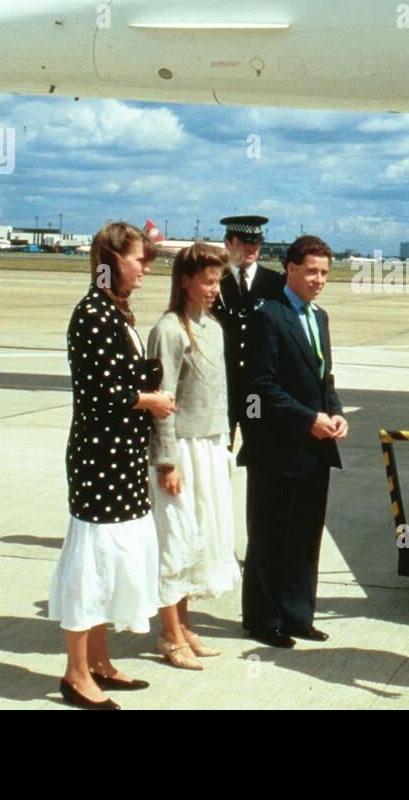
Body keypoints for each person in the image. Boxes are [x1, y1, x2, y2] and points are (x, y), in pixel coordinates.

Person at [48, 221, 176, 710]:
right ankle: (76, 673)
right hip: (100, 459)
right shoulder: (93, 314)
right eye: (139, 260)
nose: (146, 268)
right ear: (111, 261)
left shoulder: (115, 311)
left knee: (114, 561)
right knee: (92, 565)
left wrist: (149, 389)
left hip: (120, 458)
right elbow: (103, 394)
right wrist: (150, 399)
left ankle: (99, 662)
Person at [241, 235, 348, 648]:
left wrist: (335, 412)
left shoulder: (319, 317)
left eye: (324, 272)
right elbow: (261, 386)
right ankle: (264, 619)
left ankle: (298, 614)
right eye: (311, 271)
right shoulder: (269, 316)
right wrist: (308, 420)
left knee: (305, 536)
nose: (318, 279)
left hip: (315, 446)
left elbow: (325, 381)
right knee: (270, 536)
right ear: (290, 270)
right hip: (278, 447)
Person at [146, 243, 239, 670]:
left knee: (200, 539)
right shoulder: (169, 330)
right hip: (180, 449)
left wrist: (223, 445)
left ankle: (183, 626)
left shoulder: (214, 329)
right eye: (206, 280)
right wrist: (167, 462)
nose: (213, 289)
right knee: (175, 543)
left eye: (218, 280)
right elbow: (163, 401)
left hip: (209, 446)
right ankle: (168, 633)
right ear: (185, 281)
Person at [213, 215, 286, 447]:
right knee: (220, 453)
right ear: (227, 243)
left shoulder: (275, 283)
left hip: (256, 391)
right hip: (222, 386)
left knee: (258, 449)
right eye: (244, 241)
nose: (251, 247)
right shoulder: (214, 280)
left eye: (255, 242)